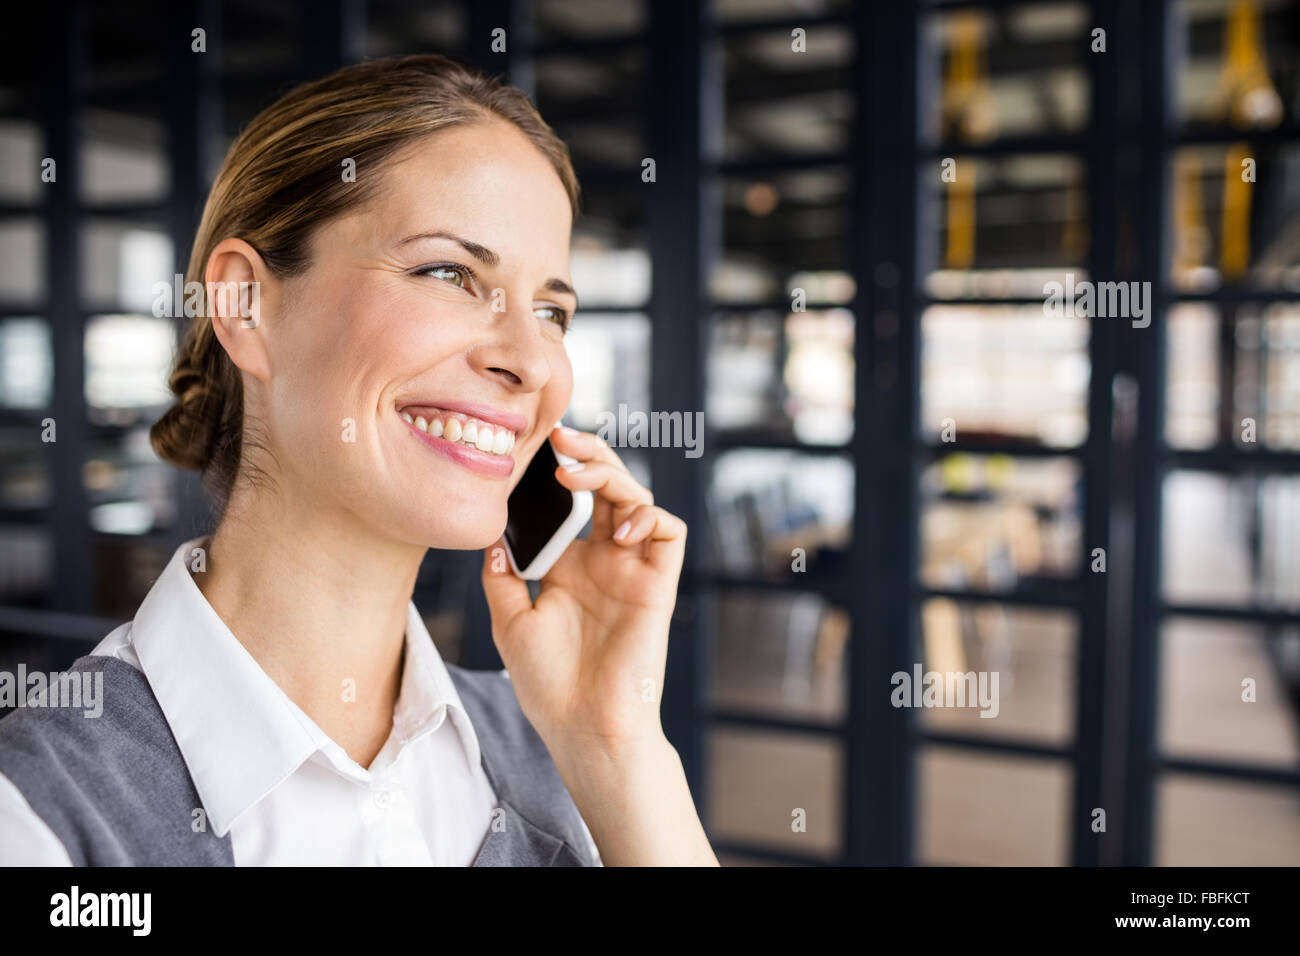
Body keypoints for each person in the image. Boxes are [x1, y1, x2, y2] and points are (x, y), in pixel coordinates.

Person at [0, 54, 716, 867]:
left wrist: (616, 748)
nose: (532, 361)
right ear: (245, 303)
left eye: (551, 311)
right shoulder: (36, 818)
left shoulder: (566, 759)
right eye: (449, 271)